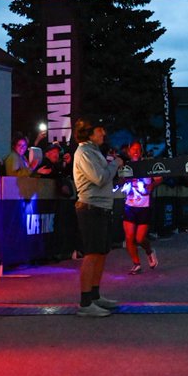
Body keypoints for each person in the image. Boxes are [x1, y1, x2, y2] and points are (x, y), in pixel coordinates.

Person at [73, 118, 124, 317]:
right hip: (90, 207)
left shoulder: (94, 151)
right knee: (92, 254)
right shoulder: (84, 152)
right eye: (100, 130)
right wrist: (116, 164)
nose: (103, 133)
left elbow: (104, 178)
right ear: (89, 133)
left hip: (101, 207)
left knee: (101, 253)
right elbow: (100, 177)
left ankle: (95, 295)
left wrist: (115, 171)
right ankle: (85, 303)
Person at [118, 141, 160, 275]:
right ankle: (136, 264)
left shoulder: (147, 165)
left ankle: (149, 251)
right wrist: (124, 181)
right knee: (129, 237)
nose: (135, 152)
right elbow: (119, 181)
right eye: (133, 149)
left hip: (144, 205)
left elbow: (159, 177)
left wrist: (151, 186)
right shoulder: (125, 166)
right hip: (130, 205)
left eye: (138, 150)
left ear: (141, 152)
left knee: (140, 239)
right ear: (129, 152)